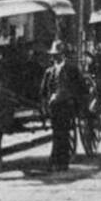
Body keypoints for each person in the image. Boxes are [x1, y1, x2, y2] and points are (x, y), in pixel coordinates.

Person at [40, 40, 86, 171]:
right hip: (54, 106)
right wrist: (45, 103)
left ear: (63, 55)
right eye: (54, 54)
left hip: (66, 104)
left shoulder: (71, 69)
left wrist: (77, 101)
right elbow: (43, 90)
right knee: (57, 132)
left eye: (57, 54)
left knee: (63, 133)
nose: (55, 57)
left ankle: (61, 161)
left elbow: (81, 87)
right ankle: (56, 160)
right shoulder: (50, 71)